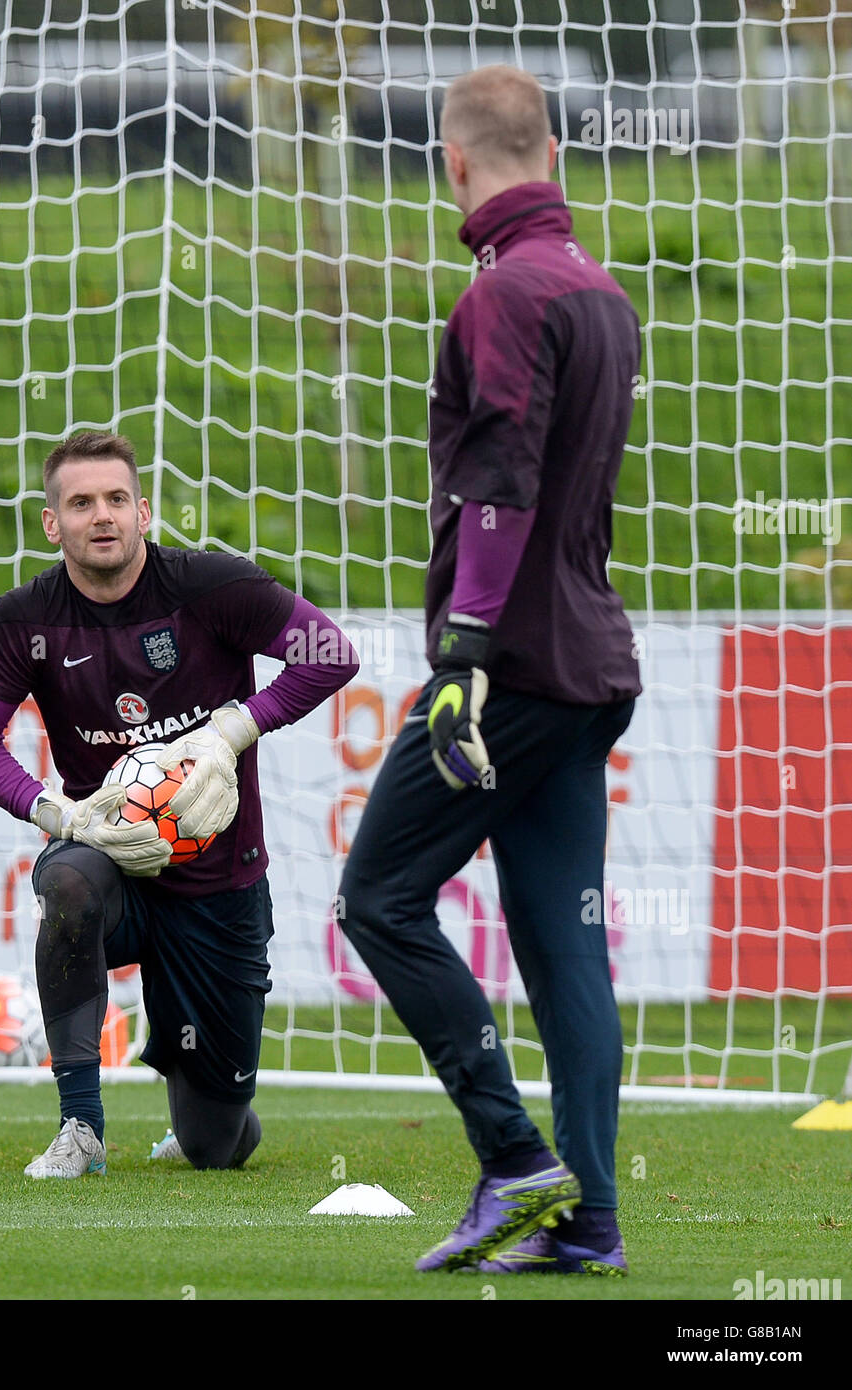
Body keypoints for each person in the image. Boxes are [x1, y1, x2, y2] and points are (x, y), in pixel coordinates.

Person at [337, 65, 642, 1276]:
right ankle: (591, 1222)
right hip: (591, 667)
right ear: (551, 151)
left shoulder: (504, 296)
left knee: (378, 897)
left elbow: (501, 478)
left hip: (506, 669)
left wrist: (458, 656)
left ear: (452, 164)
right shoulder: (601, 294)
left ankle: (514, 1158)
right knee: (564, 945)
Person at [0, 430, 358, 1177]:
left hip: (218, 890)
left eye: (114, 500)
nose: (99, 516)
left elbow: (330, 652)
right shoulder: (23, 620)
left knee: (215, 1147)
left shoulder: (212, 587)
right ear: (53, 524)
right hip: (113, 871)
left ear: (142, 512)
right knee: (66, 883)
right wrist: (61, 817)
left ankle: (196, 1082)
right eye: (79, 503)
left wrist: (233, 729)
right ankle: (81, 1127)